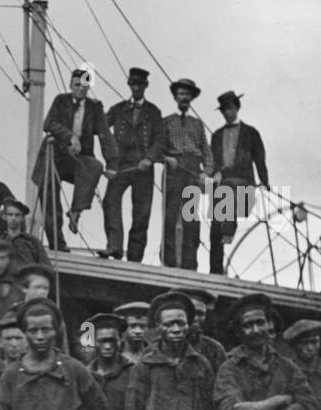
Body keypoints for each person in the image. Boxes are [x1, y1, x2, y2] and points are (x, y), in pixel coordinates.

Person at [32, 67, 116, 251]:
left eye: (84, 86)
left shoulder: (94, 108)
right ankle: (57, 243)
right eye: (77, 85)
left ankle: (76, 211)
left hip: (76, 159)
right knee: (50, 200)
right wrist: (70, 136)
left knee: (95, 166)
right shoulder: (61, 101)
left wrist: (112, 164)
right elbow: (48, 124)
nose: (80, 89)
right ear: (71, 85)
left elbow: (105, 136)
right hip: (53, 155)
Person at [151, 78, 213, 270]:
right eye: (181, 94)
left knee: (191, 219)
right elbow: (156, 148)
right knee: (170, 217)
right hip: (173, 170)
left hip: (193, 170)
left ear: (191, 98)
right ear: (175, 97)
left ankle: (189, 264)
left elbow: (207, 152)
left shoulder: (197, 124)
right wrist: (165, 158)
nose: (184, 98)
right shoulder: (166, 122)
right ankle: (168, 262)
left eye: (187, 94)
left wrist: (206, 172)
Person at [101, 67, 162, 262]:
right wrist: (110, 157)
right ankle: (114, 247)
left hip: (143, 169)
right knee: (110, 201)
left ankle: (135, 257)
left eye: (140, 84)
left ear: (145, 86)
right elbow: (100, 125)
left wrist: (149, 158)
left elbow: (160, 139)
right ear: (129, 85)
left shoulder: (153, 112)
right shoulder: (118, 109)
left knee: (142, 213)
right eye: (133, 84)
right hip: (121, 166)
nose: (136, 88)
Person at [209, 91, 269, 275]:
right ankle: (215, 271)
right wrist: (216, 172)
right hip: (224, 182)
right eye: (224, 110)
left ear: (236, 108)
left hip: (244, 182)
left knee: (229, 204)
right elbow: (213, 160)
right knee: (215, 229)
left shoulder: (251, 133)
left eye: (230, 108)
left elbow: (260, 158)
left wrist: (265, 181)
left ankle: (229, 228)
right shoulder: (217, 135)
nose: (227, 113)